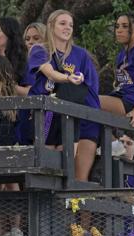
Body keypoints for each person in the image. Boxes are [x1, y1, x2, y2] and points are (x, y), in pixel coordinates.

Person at [34, 10, 102, 183]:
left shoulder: (81, 55)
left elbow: (91, 87)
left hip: (71, 115)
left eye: (71, 25)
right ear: (51, 26)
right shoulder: (40, 49)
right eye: (62, 23)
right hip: (47, 114)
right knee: (46, 164)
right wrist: (68, 78)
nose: (68, 28)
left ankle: (62, 200)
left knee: (67, 165)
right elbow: (49, 72)